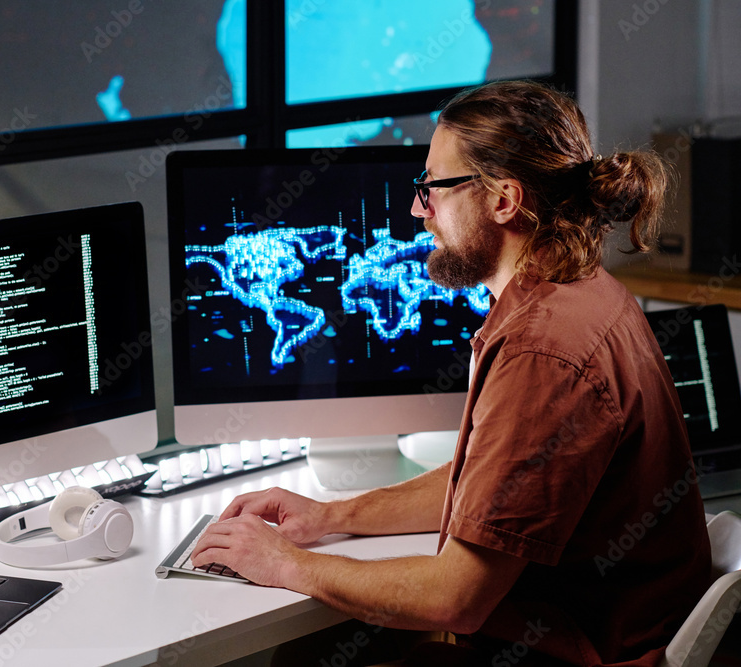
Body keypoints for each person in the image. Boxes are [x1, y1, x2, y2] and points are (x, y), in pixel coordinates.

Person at [191, 80, 712, 667]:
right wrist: (330, 517)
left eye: (433, 186)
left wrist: (287, 564)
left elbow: (454, 600)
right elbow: (491, 489)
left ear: (503, 200)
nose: (419, 209)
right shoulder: (581, 291)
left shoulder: (544, 352)